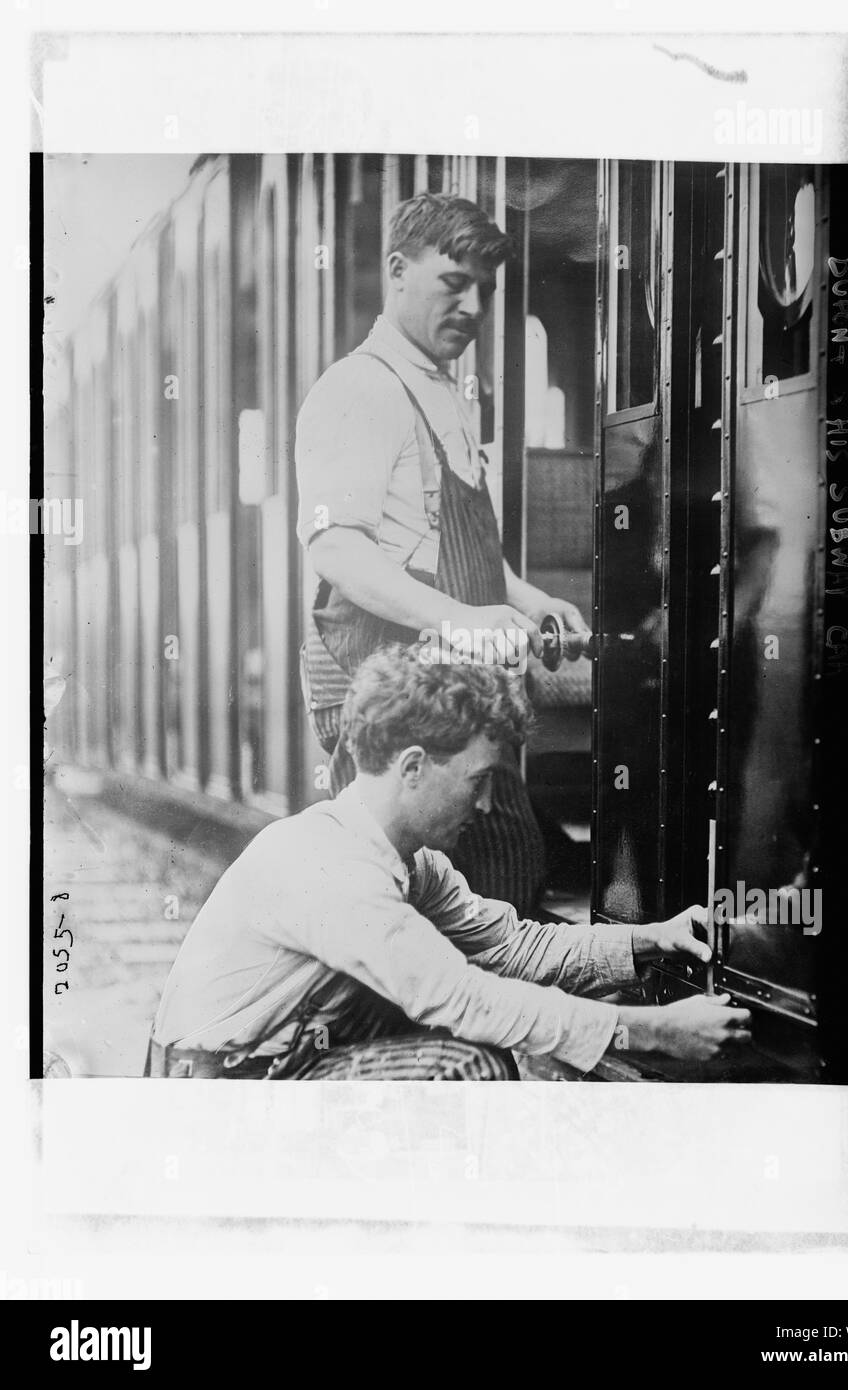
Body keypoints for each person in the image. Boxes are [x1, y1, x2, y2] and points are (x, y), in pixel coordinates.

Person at [146, 646, 752, 1081]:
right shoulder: (331, 870)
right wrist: (653, 1030)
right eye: (480, 780)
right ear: (413, 768)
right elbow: (461, 997)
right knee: (467, 1063)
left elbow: (515, 950)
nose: (488, 805)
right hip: (218, 1100)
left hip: (275, 1068)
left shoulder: (412, 864)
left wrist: (650, 940)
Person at [295, 191, 588, 916]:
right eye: (452, 284)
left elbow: (455, 540)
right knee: (458, 893)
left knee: (505, 869)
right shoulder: (360, 389)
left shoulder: (446, 397)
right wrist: (462, 620)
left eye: (482, 291)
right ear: (397, 271)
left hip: (448, 691)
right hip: (391, 699)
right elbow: (335, 546)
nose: (473, 308)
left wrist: (525, 600)